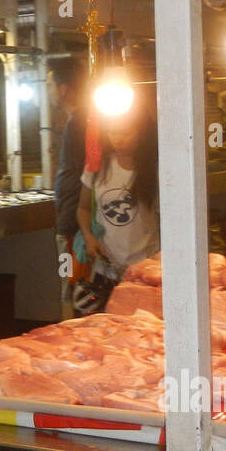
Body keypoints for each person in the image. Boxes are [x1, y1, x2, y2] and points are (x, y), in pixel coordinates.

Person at [76, 107, 159, 286]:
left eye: (125, 133)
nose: (118, 140)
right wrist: (89, 237)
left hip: (146, 267)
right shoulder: (97, 166)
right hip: (106, 267)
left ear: (140, 133)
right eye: (112, 132)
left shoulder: (154, 170)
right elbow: (83, 208)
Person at [47, 57, 87, 318]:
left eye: (49, 84)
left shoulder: (78, 123)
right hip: (74, 222)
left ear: (63, 89)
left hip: (72, 226)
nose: (48, 91)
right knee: (72, 284)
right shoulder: (80, 121)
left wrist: (74, 223)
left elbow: (83, 175)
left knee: (70, 287)